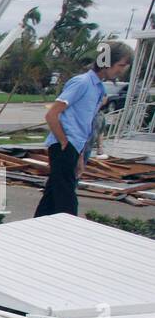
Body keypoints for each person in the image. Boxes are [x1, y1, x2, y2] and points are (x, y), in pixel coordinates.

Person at [34, 41, 132, 218]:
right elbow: (52, 115)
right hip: (64, 146)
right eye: (121, 65)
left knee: (52, 196)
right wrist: (64, 142)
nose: (122, 70)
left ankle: (35, 229)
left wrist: (79, 155)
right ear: (107, 62)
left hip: (73, 147)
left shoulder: (98, 89)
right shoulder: (82, 83)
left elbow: (84, 125)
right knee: (67, 199)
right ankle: (71, 235)